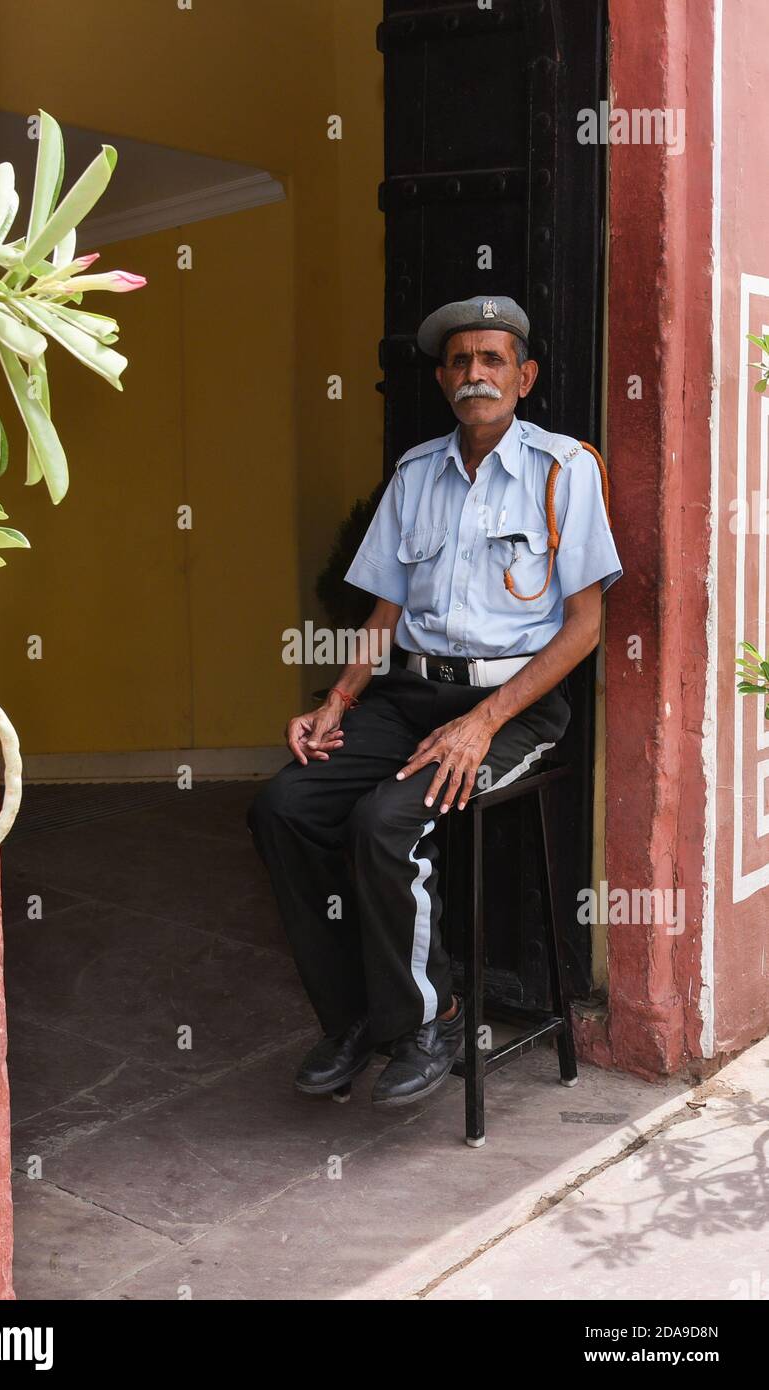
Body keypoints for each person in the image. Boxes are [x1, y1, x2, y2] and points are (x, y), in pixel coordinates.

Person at [247, 294, 623, 1110]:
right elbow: (384, 608)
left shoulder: (565, 471)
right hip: (409, 693)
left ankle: (432, 1016)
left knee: (386, 821)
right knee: (285, 806)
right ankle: (355, 1017)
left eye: (492, 360)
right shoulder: (417, 471)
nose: (473, 374)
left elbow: (584, 625)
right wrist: (338, 700)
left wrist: (482, 722)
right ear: (443, 379)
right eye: (458, 361)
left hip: (511, 709)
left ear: (522, 377)